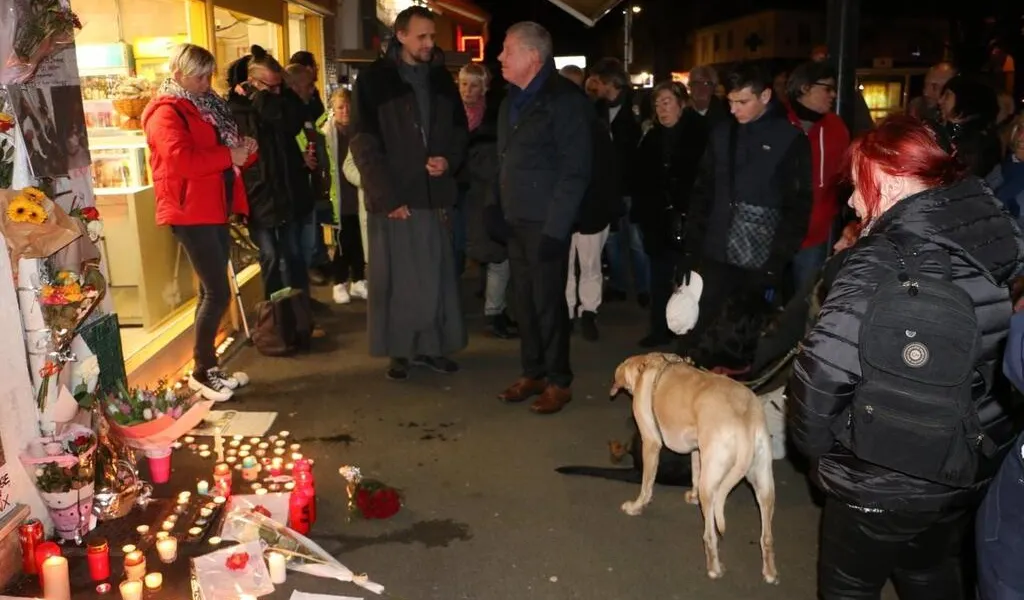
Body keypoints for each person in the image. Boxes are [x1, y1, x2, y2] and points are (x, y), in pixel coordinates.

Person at [788, 115, 1024, 599]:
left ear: (892, 181)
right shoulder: (990, 237)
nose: (853, 202)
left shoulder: (878, 261)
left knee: (849, 587)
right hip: (968, 463)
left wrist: (821, 452)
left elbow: (820, 380)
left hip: (880, 476)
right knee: (930, 572)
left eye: (859, 186)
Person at [349, 6, 468, 381]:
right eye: (422, 37)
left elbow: (460, 132)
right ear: (400, 35)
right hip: (395, 198)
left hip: (433, 195)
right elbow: (364, 145)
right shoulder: (373, 82)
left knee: (435, 277)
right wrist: (387, 198)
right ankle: (399, 352)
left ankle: (432, 348)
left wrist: (448, 160)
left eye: (432, 36)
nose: (430, 44)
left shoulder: (441, 81)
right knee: (397, 281)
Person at [487, 21, 593, 415]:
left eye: (507, 49)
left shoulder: (565, 101)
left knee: (548, 303)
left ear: (533, 56)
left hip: (546, 224)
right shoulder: (509, 100)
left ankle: (558, 381)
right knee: (524, 302)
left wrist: (556, 228)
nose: (500, 56)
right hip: (516, 219)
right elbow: (502, 160)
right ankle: (532, 372)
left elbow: (576, 170)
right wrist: (493, 207)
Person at [680, 62, 812, 374]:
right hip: (714, 254)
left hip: (759, 262)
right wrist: (689, 248)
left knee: (741, 348)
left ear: (765, 96)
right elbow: (702, 192)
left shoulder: (790, 140)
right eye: (730, 102)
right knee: (701, 337)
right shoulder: (722, 134)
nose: (734, 110)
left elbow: (798, 208)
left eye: (743, 102)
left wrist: (776, 264)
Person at [142, 43, 255, 402]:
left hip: (211, 207)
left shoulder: (204, 107)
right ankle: (203, 370)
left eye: (210, 74)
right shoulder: (165, 112)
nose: (208, 82)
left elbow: (221, 158)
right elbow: (179, 160)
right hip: (191, 211)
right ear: (178, 74)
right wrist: (228, 153)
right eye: (200, 75)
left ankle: (207, 365)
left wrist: (243, 151)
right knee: (217, 292)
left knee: (211, 291)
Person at [226, 48, 314, 312]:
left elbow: (290, 121)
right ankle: (275, 315)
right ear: (253, 82)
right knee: (271, 255)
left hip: (287, 189)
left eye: (280, 85)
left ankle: (301, 311)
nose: (277, 91)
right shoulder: (236, 108)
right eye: (271, 86)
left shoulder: (281, 99)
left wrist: (263, 96)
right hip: (259, 193)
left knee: (294, 254)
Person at [632, 81, 708, 348]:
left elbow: (706, 179)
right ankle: (660, 327)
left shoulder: (700, 134)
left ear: (681, 103)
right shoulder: (652, 137)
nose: (661, 108)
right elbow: (639, 178)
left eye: (666, 102)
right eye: (657, 104)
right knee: (660, 277)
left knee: (691, 278)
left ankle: (692, 331)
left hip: (690, 217)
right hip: (658, 221)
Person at [456, 63, 514, 339]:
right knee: (457, 257)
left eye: (474, 85)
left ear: (485, 88)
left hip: (486, 197)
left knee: (496, 256)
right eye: (464, 84)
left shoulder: (494, 118)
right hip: (457, 198)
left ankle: (494, 313)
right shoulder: (449, 117)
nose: (468, 90)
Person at [784, 61, 850, 295]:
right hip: (776, 235)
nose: (833, 95)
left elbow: (846, 176)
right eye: (827, 88)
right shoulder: (778, 123)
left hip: (817, 235)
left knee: (806, 301)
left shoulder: (836, 127)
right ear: (804, 88)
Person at [589, 57, 648, 307]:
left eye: (598, 82)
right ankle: (619, 285)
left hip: (632, 185)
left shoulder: (637, 106)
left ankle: (645, 289)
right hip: (607, 188)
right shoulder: (598, 109)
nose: (594, 87)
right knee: (612, 241)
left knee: (636, 242)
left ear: (609, 82)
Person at [322, 88, 368, 304]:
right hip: (339, 195)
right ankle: (339, 282)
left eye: (348, 106)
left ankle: (359, 280)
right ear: (333, 109)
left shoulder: (360, 131)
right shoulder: (326, 134)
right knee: (342, 243)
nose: (345, 111)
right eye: (340, 107)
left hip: (358, 193)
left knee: (360, 241)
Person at [939, 75, 1002, 178]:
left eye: (947, 95)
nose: (940, 101)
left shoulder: (976, 143)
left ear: (965, 99)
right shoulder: (951, 133)